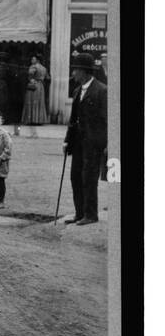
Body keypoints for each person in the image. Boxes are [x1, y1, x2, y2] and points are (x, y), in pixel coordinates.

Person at [63, 52, 108, 225]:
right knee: (75, 177)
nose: (73, 73)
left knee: (89, 178)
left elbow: (107, 120)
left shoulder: (101, 91)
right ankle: (79, 213)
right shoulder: (77, 91)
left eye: (76, 70)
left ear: (84, 71)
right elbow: (72, 121)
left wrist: (106, 144)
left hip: (94, 144)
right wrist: (67, 141)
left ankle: (91, 215)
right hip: (78, 144)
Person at [22, 55, 48, 135]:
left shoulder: (33, 67)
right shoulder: (44, 68)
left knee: (31, 101)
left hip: (33, 85)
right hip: (41, 86)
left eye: (33, 59)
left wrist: (31, 79)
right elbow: (47, 77)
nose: (31, 60)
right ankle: (39, 120)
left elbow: (30, 74)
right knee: (39, 102)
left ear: (37, 60)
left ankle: (31, 119)